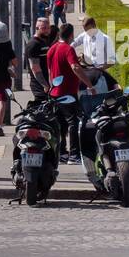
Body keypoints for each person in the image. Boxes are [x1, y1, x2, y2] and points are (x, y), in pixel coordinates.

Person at [46, 23, 86, 163]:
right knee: (73, 122)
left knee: (59, 123)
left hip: (55, 92)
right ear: (71, 35)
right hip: (68, 92)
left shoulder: (52, 49)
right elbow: (75, 67)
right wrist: (89, 84)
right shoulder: (68, 49)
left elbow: (51, 70)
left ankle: (61, 153)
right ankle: (74, 155)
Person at [74, 15, 117, 96]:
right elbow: (72, 44)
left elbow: (112, 60)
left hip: (99, 72)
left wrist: (100, 68)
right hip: (86, 71)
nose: (87, 33)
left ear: (94, 26)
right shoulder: (84, 35)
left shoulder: (105, 39)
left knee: (116, 88)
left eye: (88, 30)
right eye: (85, 30)